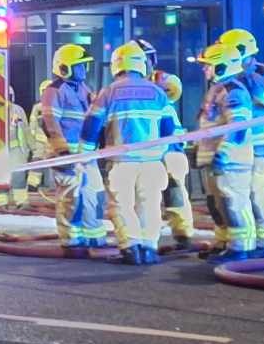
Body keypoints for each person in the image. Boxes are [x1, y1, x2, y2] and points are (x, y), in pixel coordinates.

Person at [85, 42, 183, 265]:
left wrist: (85, 154)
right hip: (152, 162)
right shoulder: (158, 92)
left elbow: (92, 125)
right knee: (149, 204)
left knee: (121, 205)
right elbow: (169, 129)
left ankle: (130, 248)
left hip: (122, 163)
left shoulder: (108, 92)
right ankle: (149, 248)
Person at [220, 28, 264, 257]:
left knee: (259, 194)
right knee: (240, 197)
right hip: (241, 148)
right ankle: (246, 242)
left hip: (260, 143)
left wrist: (261, 92)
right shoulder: (230, 73)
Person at [34, 43, 102, 253]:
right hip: (67, 156)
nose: (84, 70)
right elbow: (50, 123)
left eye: (84, 66)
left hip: (86, 156)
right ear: (64, 68)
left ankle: (93, 237)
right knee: (71, 199)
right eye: (79, 66)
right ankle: (72, 241)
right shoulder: (54, 91)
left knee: (94, 195)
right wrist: (62, 152)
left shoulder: (84, 89)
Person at [195, 41, 259, 262]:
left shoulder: (233, 91)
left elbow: (238, 127)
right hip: (215, 159)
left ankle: (241, 246)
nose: (205, 69)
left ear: (222, 66)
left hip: (231, 160)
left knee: (233, 203)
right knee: (217, 204)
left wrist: (224, 154)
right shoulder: (217, 89)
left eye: (208, 65)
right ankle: (224, 241)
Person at [137, 41, 196, 249]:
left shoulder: (160, 80)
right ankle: (145, 236)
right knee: (148, 195)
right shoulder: (132, 84)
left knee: (174, 192)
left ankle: (182, 234)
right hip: (152, 150)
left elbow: (174, 88)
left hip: (169, 149)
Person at [0, 83, 43, 209]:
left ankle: (21, 202)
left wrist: (32, 147)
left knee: (18, 178)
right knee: (1, 178)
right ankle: (3, 204)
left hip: (17, 151)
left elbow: (25, 129)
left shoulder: (18, 110)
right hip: (1, 150)